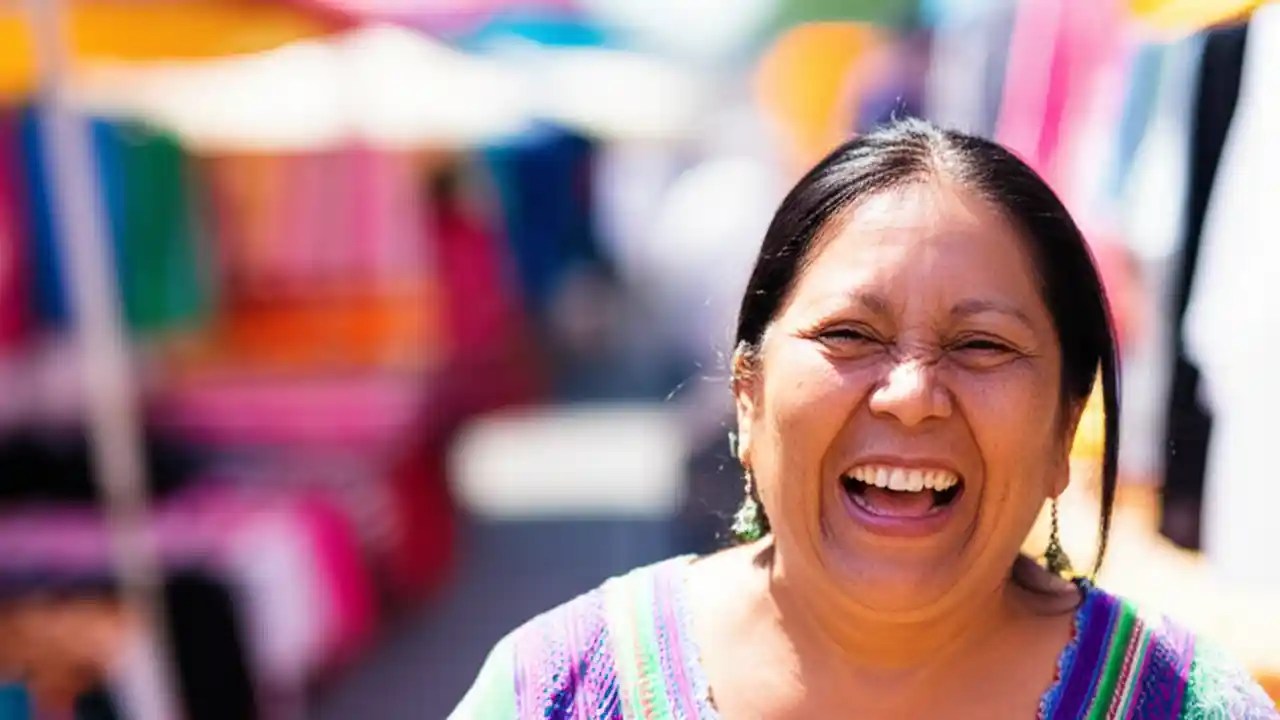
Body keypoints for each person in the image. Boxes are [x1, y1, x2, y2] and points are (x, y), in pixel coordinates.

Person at [449, 120, 1278, 719]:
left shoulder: (1188, 703)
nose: (912, 394)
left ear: (1068, 427)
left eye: (982, 345)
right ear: (747, 395)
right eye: (850, 335)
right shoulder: (560, 690)